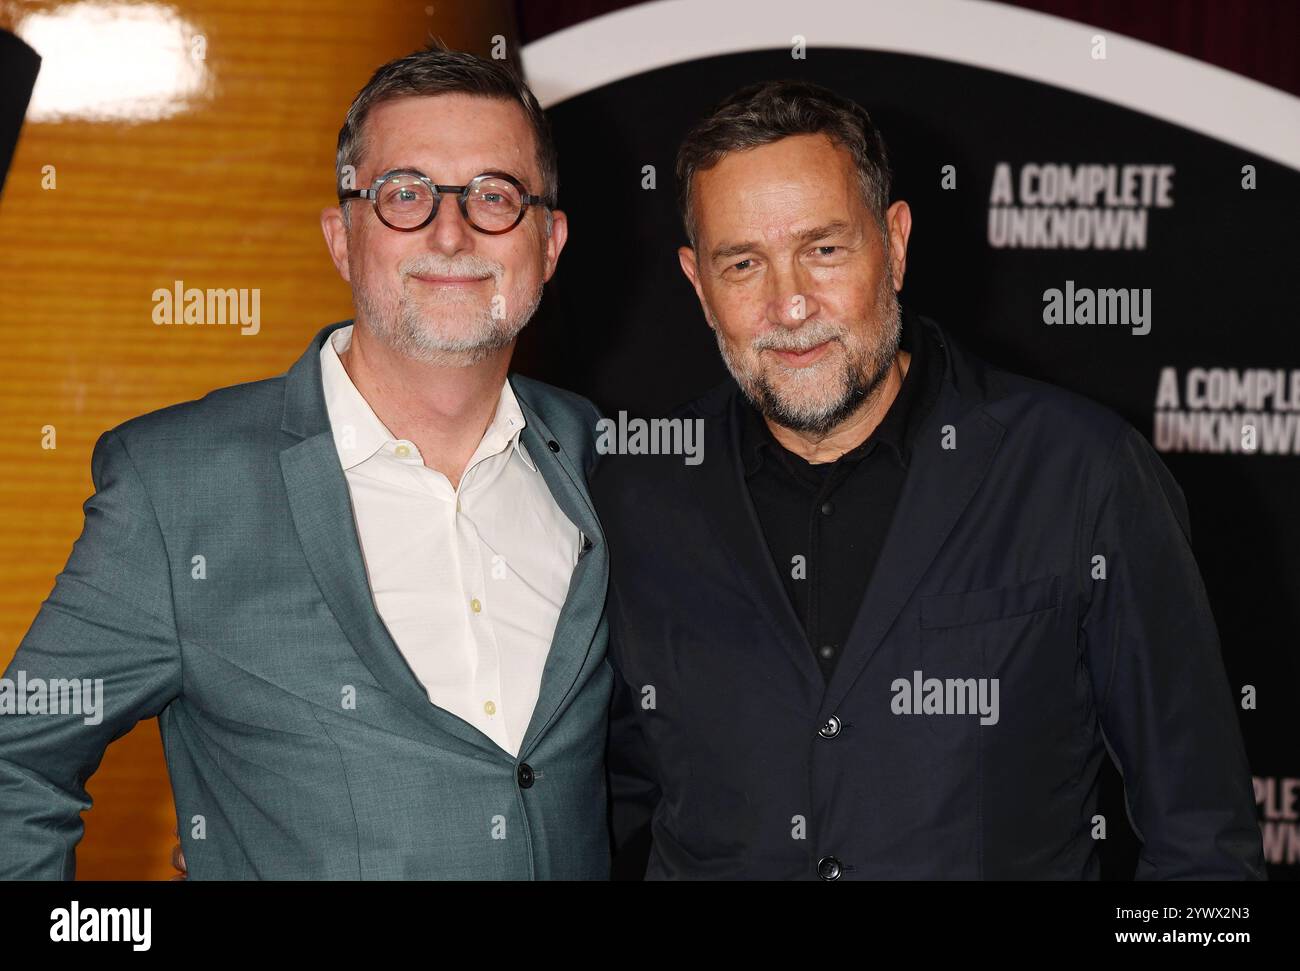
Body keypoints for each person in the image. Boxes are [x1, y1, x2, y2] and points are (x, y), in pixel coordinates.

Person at [593, 79, 1266, 880]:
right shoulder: (636, 494)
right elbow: (595, 799)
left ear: (896, 242)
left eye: (824, 249)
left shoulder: (1080, 473)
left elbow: (1204, 846)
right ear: (699, 286)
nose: (791, 302)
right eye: (743, 263)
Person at [0, 44, 611, 880]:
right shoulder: (178, 487)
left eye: (494, 196)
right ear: (341, 236)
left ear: (549, 244)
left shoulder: (591, 456)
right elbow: (15, 759)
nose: (450, 229)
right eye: (404, 194)